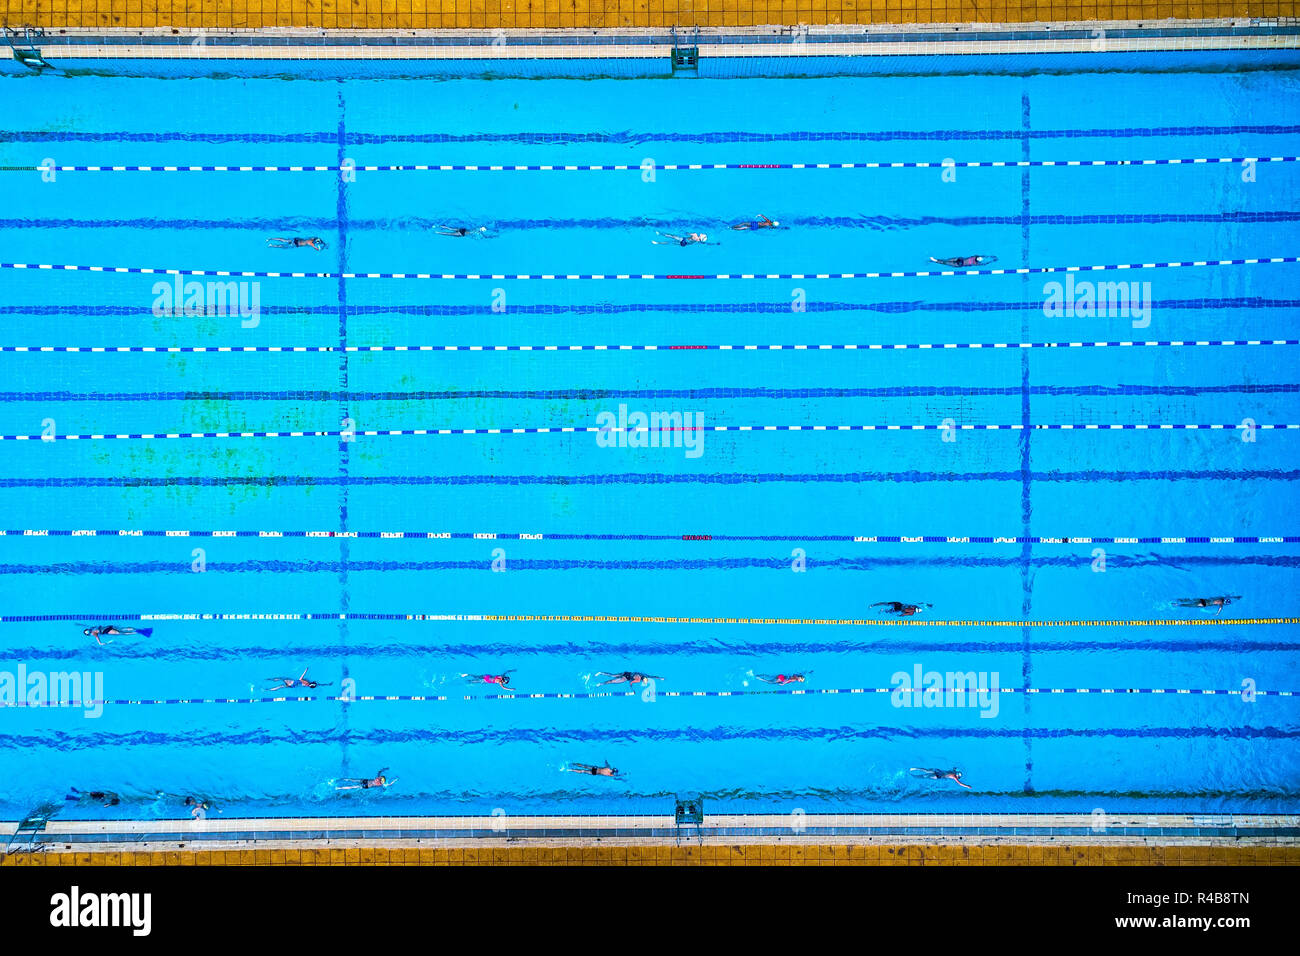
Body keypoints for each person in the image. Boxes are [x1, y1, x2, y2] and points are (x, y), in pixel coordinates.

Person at [82, 624, 153, 646]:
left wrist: (100, 643)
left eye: (87, 632)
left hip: (106, 630)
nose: (89, 632)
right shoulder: (93, 628)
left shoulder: (93, 633)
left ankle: (138, 632)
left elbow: (97, 637)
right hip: (107, 627)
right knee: (123, 629)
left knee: (122, 633)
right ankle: (137, 629)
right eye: (87, 632)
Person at [265, 668, 330, 691]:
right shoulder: (307, 684)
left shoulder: (306, 683)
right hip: (292, 685)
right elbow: (318, 684)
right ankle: (268, 689)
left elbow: (300, 679)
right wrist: (326, 684)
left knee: (281, 679)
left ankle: (270, 680)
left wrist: (305, 671)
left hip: (292, 683)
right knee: (280, 686)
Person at [596, 671, 661, 686]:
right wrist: (631, 686)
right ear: (644, 679)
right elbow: (631, 682)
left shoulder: (643, 675)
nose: (644, 682)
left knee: (612, 675)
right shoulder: (638, 680)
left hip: (626, 673)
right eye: (645, 682)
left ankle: (601, 673)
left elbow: (653, 677)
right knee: (612, 681)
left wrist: (659, 678)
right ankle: (600, 684)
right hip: (625, 678)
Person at [929, 254, 996, 267]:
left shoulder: (976, 263)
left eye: (978, 259)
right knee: (946, 261)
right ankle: (936, 260)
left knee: (946, 263)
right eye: (978, 257)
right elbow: (984, 256)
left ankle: (935, 261)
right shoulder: (975, 256)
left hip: (959, 264)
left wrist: (991, 261)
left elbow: (984, 264)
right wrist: (991, 257)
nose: (977, 258)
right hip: (959, 259)